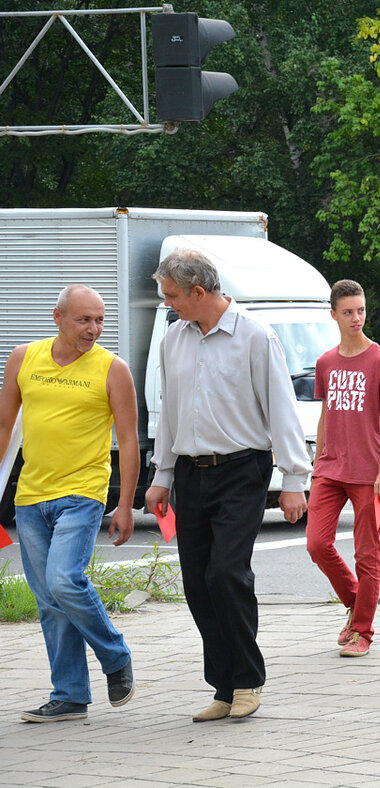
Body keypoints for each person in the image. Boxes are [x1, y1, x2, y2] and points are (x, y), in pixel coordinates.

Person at [144, 250, 311, 722]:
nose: (167, 304)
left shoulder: (255, 336)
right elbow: (172, 412)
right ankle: (223, 685)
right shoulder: (175, 338)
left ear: (199, 292)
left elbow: (281, 408)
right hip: (191, 475)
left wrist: (294, 480)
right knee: (197, 583)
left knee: (226, 574)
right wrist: (162, 476)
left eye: (172, 296)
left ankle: (248, 680)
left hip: (242, 470)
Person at [0, 285, 137, 722]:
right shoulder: (24, 358)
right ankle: (71, 694)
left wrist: (126, 504)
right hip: (31, 495)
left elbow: (130, 441)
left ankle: (114, 655)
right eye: (84, 320)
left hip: (82, 492)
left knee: (64, 580)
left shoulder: (113, 369)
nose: (93, 330)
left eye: (99, 320)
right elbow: (5, 425)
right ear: (57, 316)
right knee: (48, 600)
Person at [305, 280, 380, 657]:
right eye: (348, 312)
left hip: (367, 472)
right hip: (330, 468)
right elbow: (327, 412)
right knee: (316, 543)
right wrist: (317, 460)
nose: (356, 318)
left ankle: (362, 630)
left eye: (360, 310)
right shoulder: (326, 362)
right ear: (334, 315)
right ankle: (356, 599)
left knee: (367, 554)